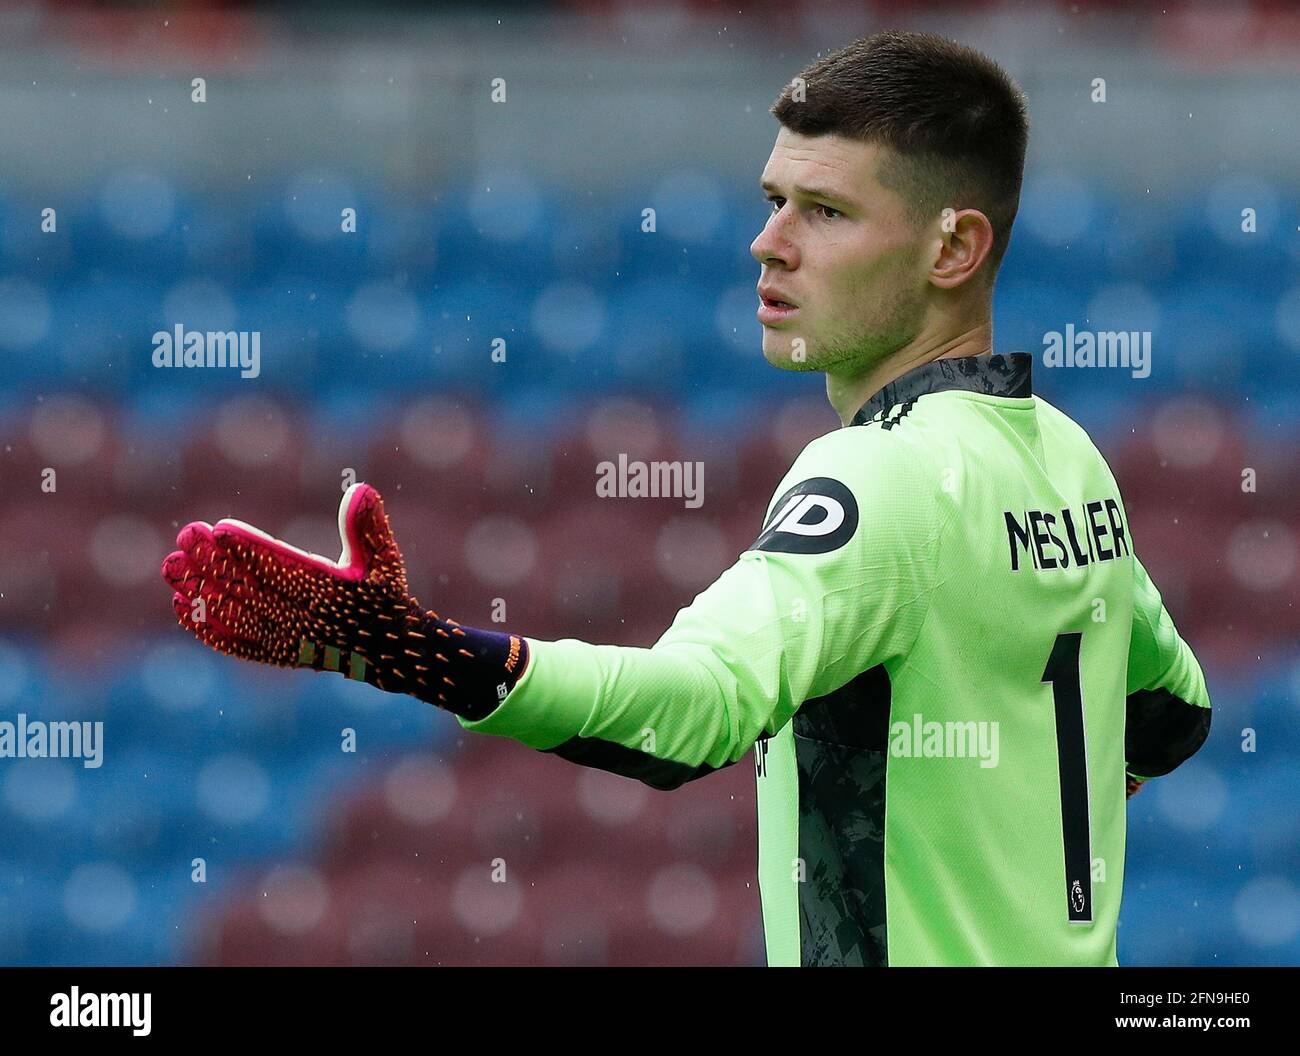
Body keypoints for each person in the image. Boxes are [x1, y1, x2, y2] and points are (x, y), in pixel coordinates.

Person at [162, 30, 1211, 967]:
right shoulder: (1067, 459)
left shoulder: (880, 475)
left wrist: (410, 651)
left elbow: (691, 717)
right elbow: (1172, 710)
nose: (769, 243)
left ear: (953, 249)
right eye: (774, 203)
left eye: (827, 212)